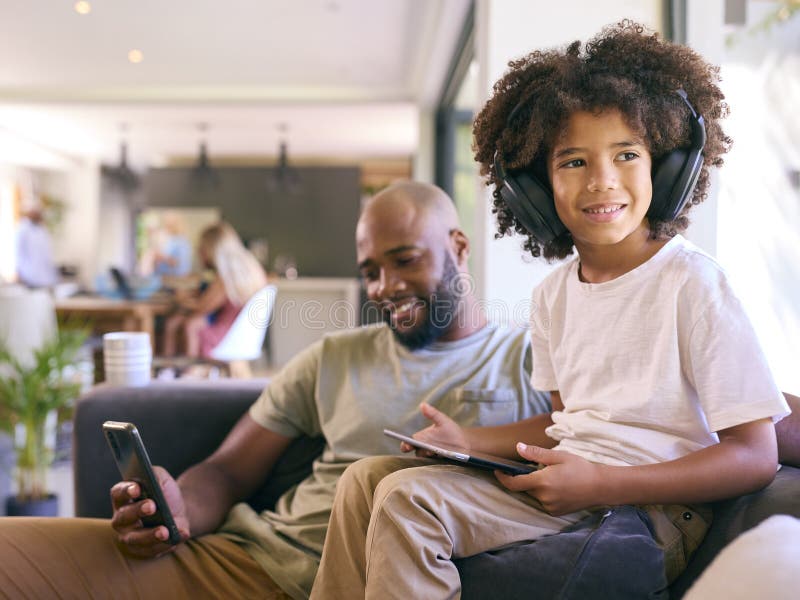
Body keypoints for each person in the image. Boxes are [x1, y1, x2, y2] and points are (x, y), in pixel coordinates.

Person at [310, 21, 792, 598]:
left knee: (409, 503)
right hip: (576, 485)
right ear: (532, 189)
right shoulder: (554, 295)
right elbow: (569, 424)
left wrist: (604, 484)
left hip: (651, 512)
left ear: (666, 168)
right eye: (573, 162)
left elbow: (755, 457)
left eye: (627, 154)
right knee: (365, 480)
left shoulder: (694, 284)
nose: (602, 182)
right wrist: (471, 440)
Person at [0, 181, 551, 599]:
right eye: (370, 271)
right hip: (247, 563)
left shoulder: (530, 358)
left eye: (404, 260)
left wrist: (474, 441)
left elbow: (584, 455)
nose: (384, 287)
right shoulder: (335, 356)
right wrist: (177, 505)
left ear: (458, 246)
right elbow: (229, 470)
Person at [161, 221, 267, 359]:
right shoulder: (250, 267)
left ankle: (188, 372)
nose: (199, 253)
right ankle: (179, 371)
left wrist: (180, 299)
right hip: (244, 333)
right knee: (180, 322)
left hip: (227, 335)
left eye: (202, 248)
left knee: (190, 323)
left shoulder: (227, 277)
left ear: (213, 249)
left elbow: (202, 307)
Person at [15, 203, 58, 288]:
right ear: (29, 213)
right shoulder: (23, 229)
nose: (38, 215)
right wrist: (19, 273)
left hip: (46, 276)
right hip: (29, 275)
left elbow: (48, 253)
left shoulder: (42, 229)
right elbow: (18, 252)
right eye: (35, 213)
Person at [153, 210, 193, 277]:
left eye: (169, 223)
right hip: (163, 277)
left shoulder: (182, 241)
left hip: (176, 279)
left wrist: (162, 257)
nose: (167, 225)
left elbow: (180, 264)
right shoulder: (169, 239)